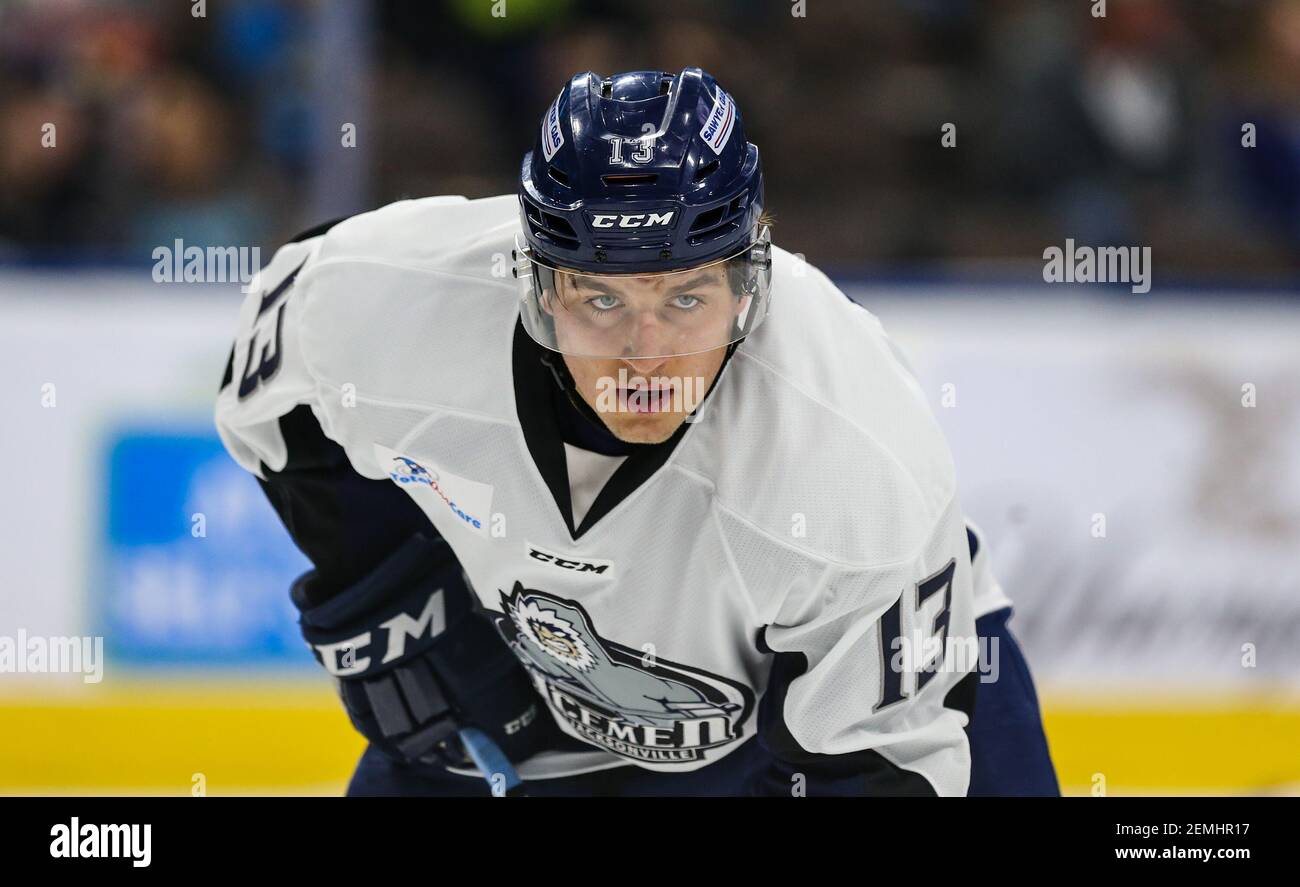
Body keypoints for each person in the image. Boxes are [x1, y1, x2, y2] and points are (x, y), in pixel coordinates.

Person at [215, 67, 1058, 796]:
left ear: (747, 286)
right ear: (538, 286)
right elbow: (275, 385)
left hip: (847, 707)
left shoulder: (847, 455)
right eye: (601, 299)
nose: (643, 356)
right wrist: (391, 581)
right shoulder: (388, 296)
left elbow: (875, 771)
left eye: (685, 299)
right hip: (529, 711)